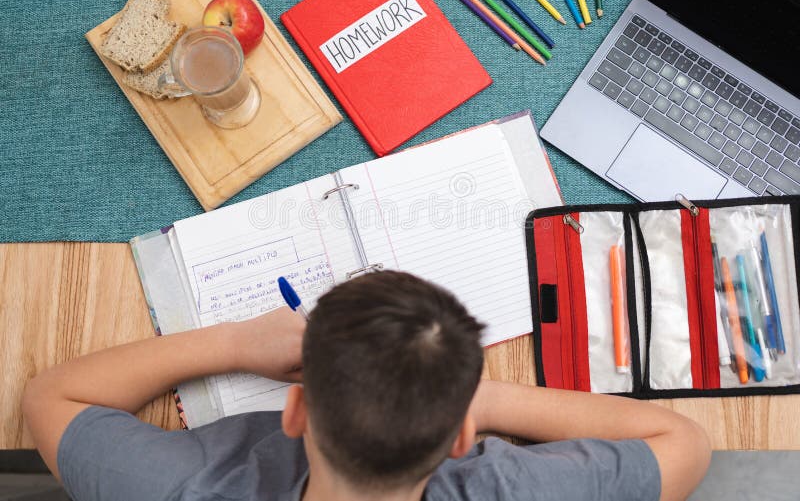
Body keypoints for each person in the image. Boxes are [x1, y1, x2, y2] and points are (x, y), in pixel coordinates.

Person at [23, 270, 711, 501]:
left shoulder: (198, 487)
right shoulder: (512, 489)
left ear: (296, 408)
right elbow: (682, 442)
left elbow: (50, 398)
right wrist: (470, 393)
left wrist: (232, 341)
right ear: (463, 436)